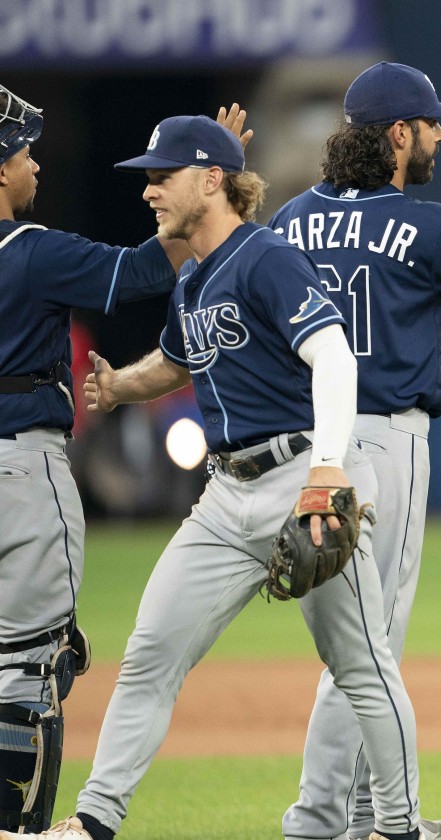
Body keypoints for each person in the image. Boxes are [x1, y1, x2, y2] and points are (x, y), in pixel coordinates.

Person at [1, 115, 426, 840]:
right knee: (149, 656)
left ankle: (399, 827)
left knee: (361, 666)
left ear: (210, 180)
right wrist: (123, 387)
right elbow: (178, 359)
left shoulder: (266, 256)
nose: (149, 192)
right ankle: (96, 822)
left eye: (162, 176)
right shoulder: (195, 276)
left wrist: (327, 469)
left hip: (303, 476)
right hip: (227, 498)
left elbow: (334, 356)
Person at [269, 61, 441, 840]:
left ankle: (356, 812)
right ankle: (322, 818)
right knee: (368, 648)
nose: (439, 135)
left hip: (305, 443)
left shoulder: (287, 222)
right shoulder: (425, 226)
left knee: (355, 644)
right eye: (430, 123)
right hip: (383, 440)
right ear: (397, 134)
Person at [0, 85, 211, 834]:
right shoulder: (31, 252)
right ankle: (19, 831)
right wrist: (201, 190)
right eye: (23, 154)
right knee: (31, 668)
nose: (34, 168)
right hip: (21, 471)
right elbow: (153, 271)